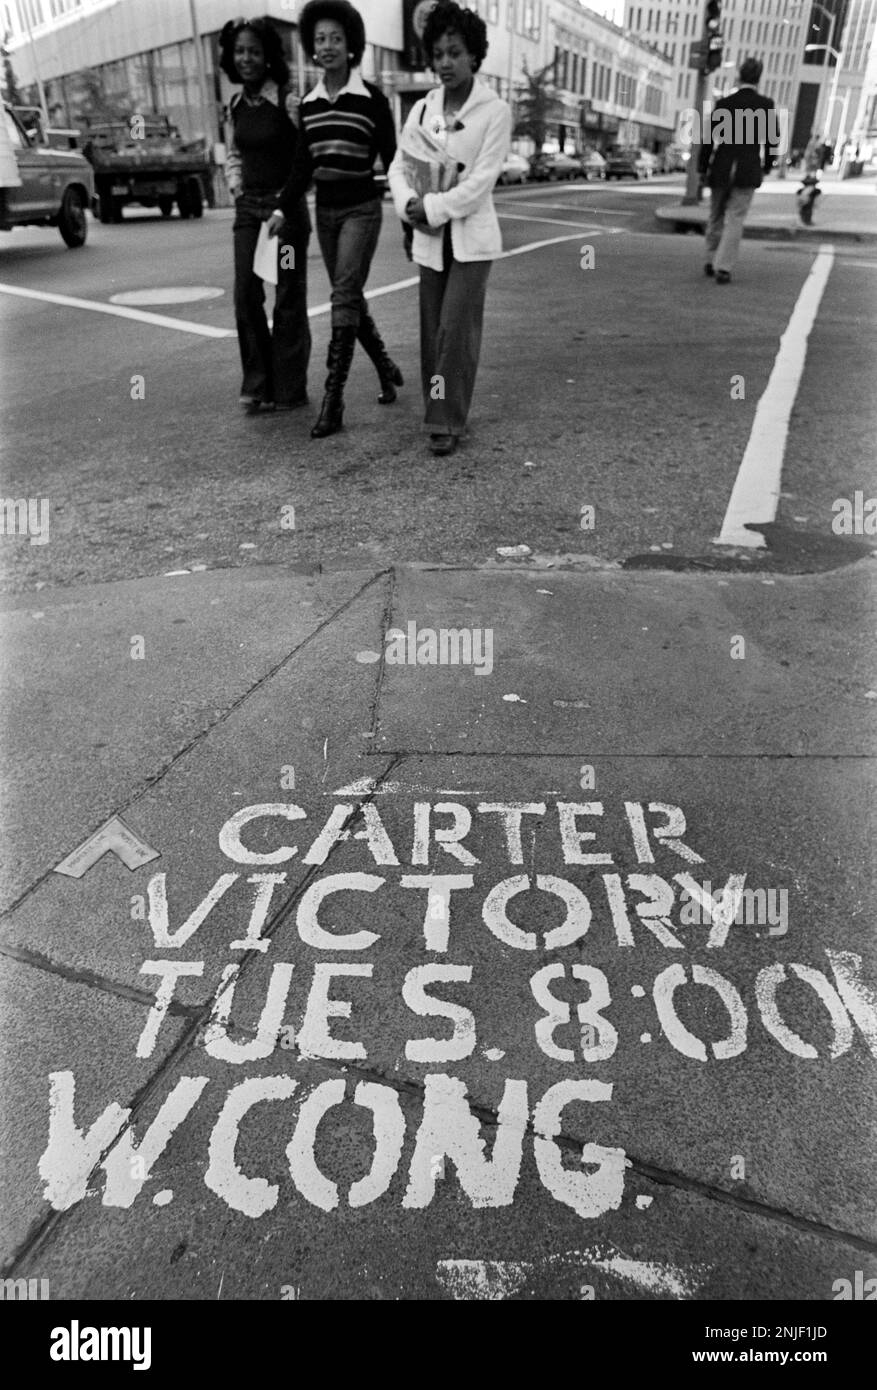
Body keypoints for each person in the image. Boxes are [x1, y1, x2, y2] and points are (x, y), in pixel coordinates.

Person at [267, 0, 401, 439]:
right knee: (350, 296)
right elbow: (301, 165)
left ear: (351, 46)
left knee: (343, 292)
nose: (327, 46)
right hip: (324, 212)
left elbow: (394, 161)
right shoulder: (308, 105)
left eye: (336, 39)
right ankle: (384, 369)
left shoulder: (372, 100)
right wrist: (282, 207)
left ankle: (333, 399)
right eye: (320, 39)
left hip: (362, 209)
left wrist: (408, 220)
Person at [388, 1, 511, 456]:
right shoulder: (423, 109)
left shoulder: (493, 110)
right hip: (429, 238)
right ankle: (436, 412)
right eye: (438, 53)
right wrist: (409, 205)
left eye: (455, 52)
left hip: (472, 241)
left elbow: (480, 183)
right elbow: (400, 166)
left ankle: (447, 420)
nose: (445, 62)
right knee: (431, 331)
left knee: (455, 331)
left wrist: (432, 207)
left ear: (474, 55)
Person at [220, 16, 311, 415]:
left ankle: (289, 388)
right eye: (240, 51)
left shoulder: (289, 101)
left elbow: (304, 160)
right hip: (249, 213)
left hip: (285, 214)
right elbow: (234, 154)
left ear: (268, 56)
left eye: (254, 51)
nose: (246, 58)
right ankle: (258, 384)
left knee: (287, 294)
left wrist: (283, 203)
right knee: (246, 295)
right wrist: (238, 188)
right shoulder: (236, 104)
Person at [698, 56, 779, 285]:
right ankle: (723, 267)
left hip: (721, 166)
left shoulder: (724, 104)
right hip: (747, 168)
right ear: (758, 79)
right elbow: (772, 139)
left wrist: (703, 167)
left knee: (715, 215)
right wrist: (767, 165)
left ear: (739, 76)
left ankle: (709, 258)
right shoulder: (765, 105)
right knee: (735, 218)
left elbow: (709, 140)